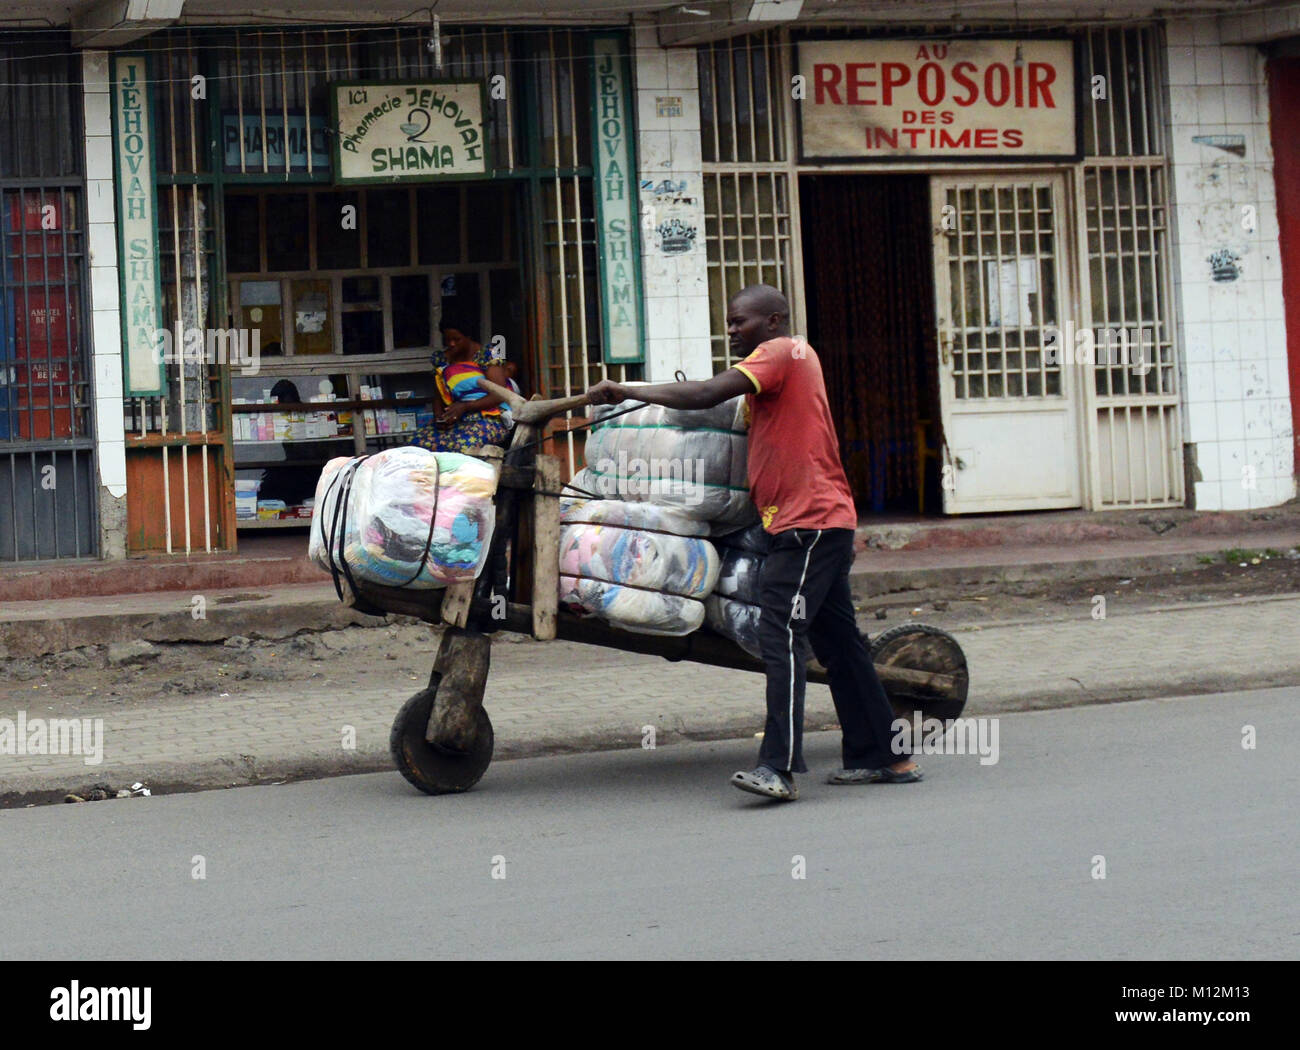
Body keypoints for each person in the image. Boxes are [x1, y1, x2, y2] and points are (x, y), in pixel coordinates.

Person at [585, 284, 918, 802]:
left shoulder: (784, 352)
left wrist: (631, 390)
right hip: (813, 522)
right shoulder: (784, 366)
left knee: (780, 631)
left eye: (740, 321)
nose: (732, 329)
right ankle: (886, 755)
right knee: (840, 644)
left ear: (773, 320)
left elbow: (703, 394)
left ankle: (777, 767)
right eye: (729, 321)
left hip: (807, 524)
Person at [412, 318, 512, 455]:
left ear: (468, 336)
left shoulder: (487, 354)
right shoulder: (443, 360)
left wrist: (465, 407)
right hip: (457, 419)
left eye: (457, 339)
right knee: (417, 445)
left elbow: (500, 394)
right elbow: (438, 395)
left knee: (461, 448)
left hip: (489, 418)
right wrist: (439, 417)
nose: (451, 344)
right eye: (447, 340)